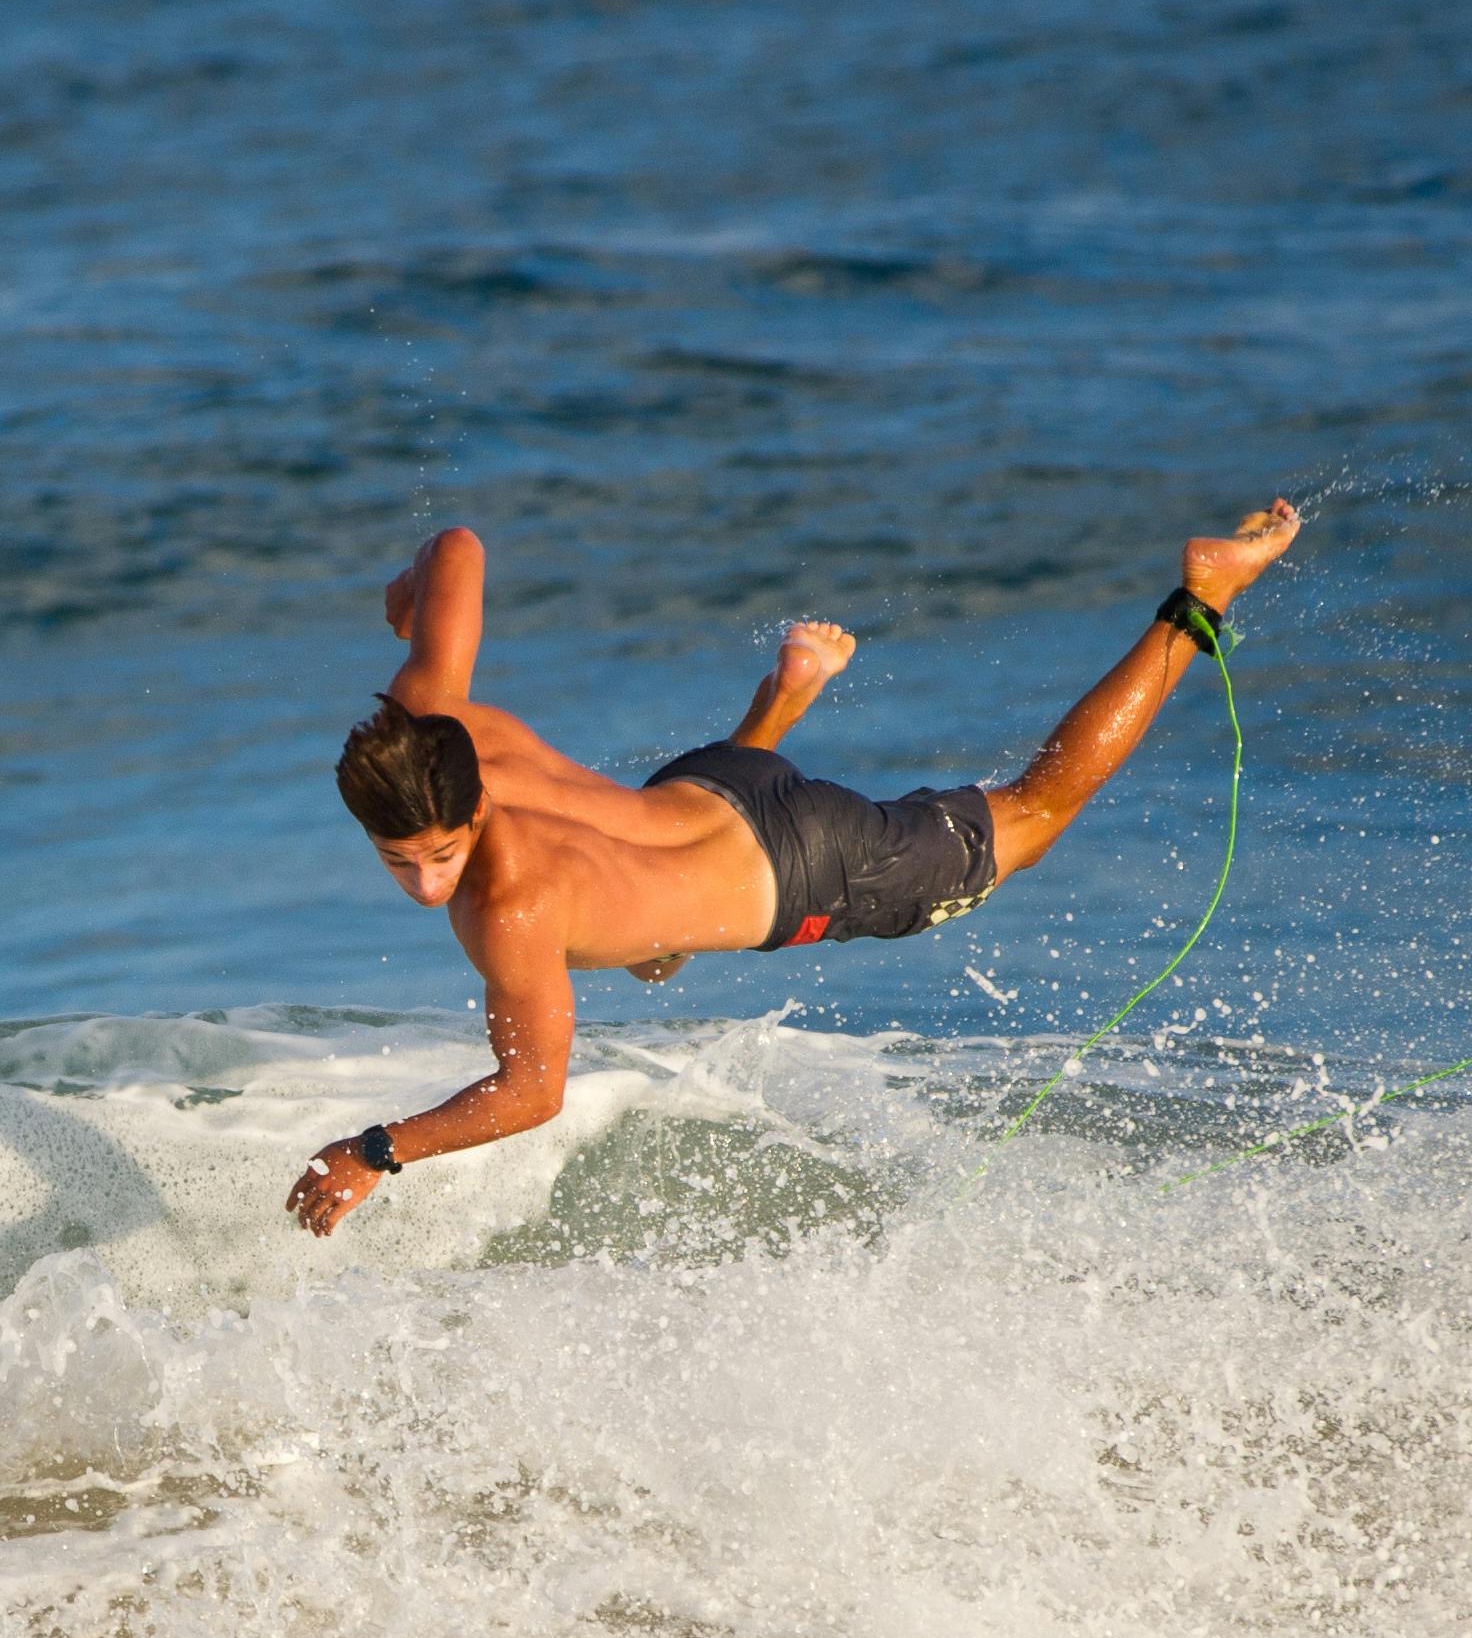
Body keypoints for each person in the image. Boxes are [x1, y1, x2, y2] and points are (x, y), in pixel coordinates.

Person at [286, 498, 1303, 1236]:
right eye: (398, 860)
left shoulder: (505, 910)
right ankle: (779, 704)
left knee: (1036, 814)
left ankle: (1199, 595)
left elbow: (530, 1093)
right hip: (708, 783)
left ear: (468, 803)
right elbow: (457, 544)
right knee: (645, 935)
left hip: (808, 864)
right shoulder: (430, 710)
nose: (427, 885)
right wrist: (408, 590)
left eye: (444, 854)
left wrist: (378, 1151)